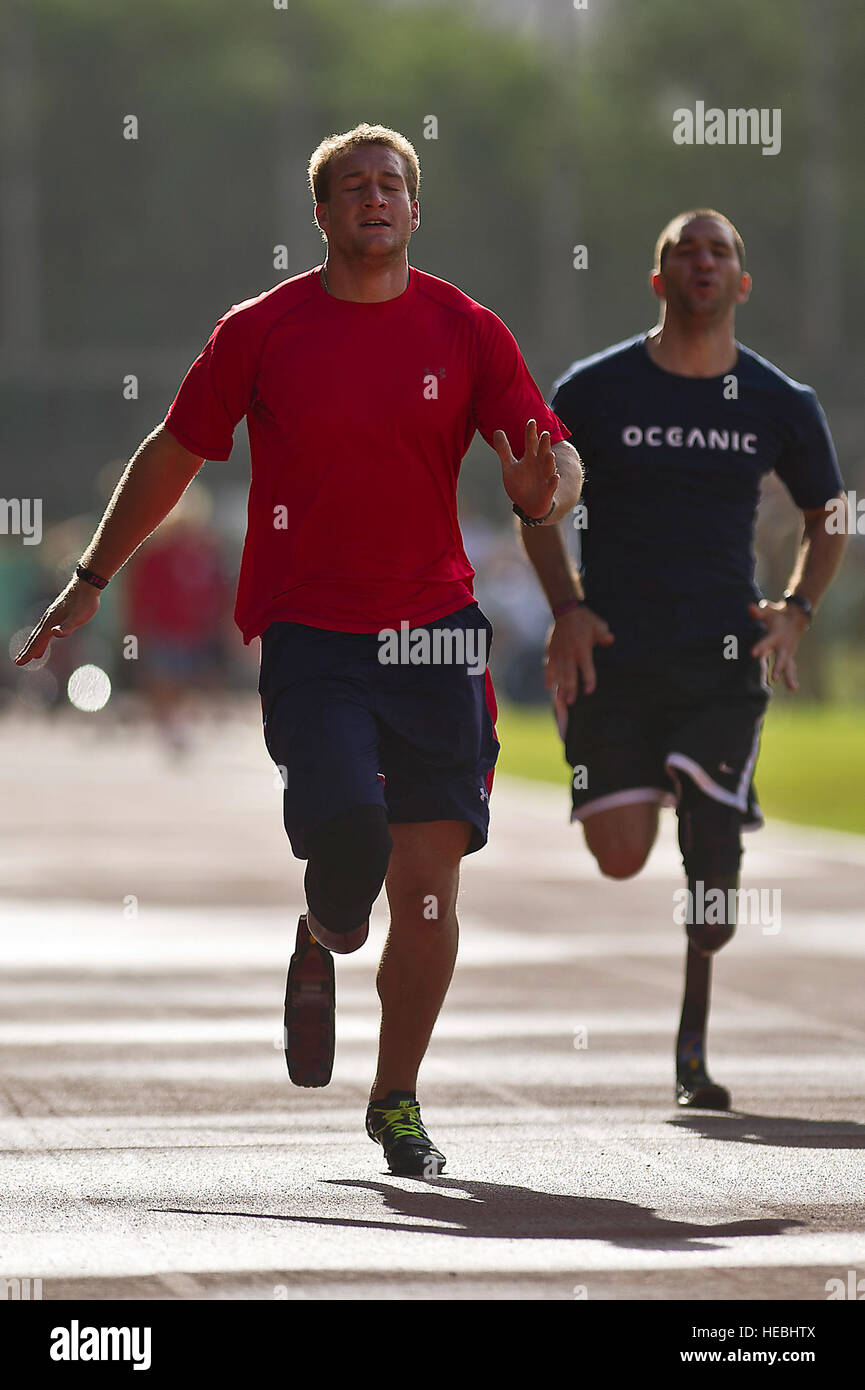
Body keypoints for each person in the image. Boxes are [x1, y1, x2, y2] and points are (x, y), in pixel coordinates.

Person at [15, 123, 581, 1174]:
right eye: (352, 186)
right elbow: (172, 451)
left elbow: (551, 468)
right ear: (320, 216)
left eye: (392, 184)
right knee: (352, 848)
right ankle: (320, 938)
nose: (375, 197)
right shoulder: (262, 331)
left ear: (415, 211)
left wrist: (543, 486)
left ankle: (397, 1099)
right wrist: (91, 581)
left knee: (427, 889)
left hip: (436, 635)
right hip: (313, 631)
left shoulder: (467, 331)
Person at [521, 209, 846, 1109]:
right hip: (614, 654)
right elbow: (534, 504)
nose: (702, 261)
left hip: (720, 658)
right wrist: (566, 612)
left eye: (720, 251)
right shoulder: (596, 389)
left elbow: (831, 516)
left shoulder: (780, 401)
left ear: (740, 282)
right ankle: (671, 784)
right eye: (683, 251)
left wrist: (796, 610)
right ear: (658, 280)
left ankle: (693, 1029)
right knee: (620, 857)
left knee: (708, 880)